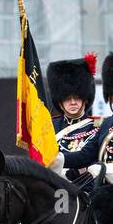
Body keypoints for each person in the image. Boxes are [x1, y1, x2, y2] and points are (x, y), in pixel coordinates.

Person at [48, 53, 113, 188]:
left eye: (77, 97)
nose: (72, 102)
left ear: (85, 98)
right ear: (59, 101)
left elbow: (87, 156)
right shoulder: (50, 126)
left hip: (85, 188)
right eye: (67, 98)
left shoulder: (98, 125)